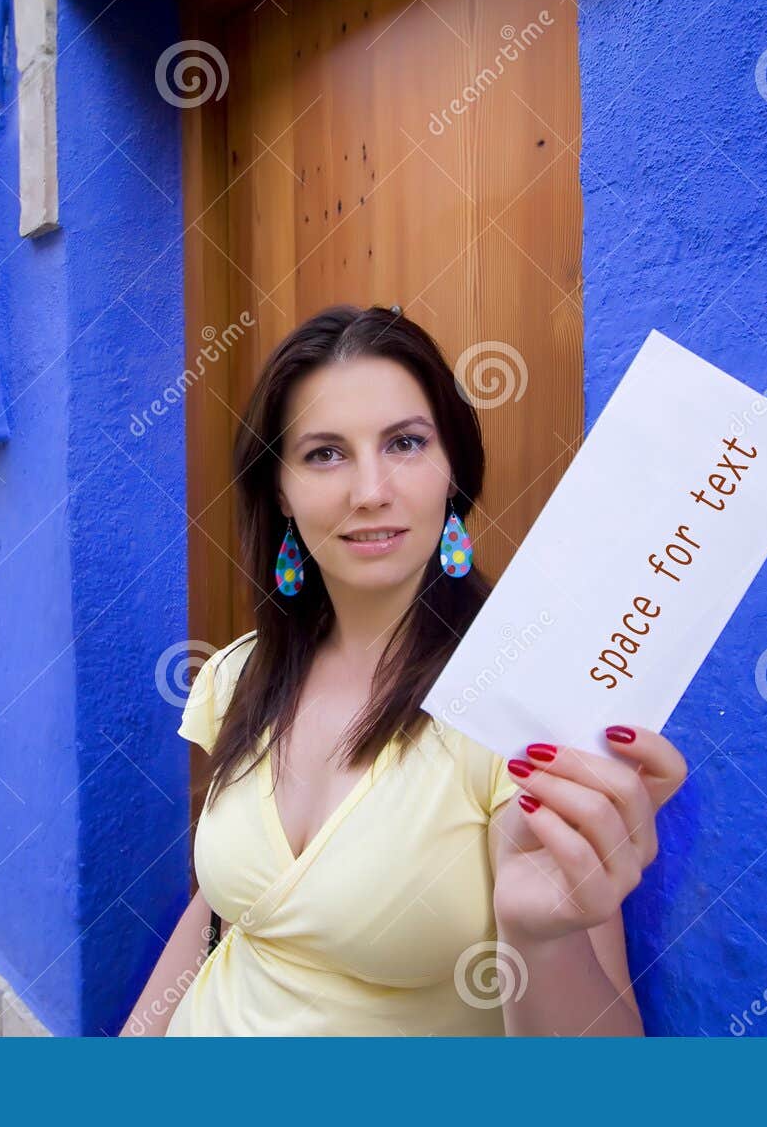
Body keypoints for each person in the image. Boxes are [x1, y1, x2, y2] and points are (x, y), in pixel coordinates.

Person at [124, 305, 687, 1036]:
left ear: (453, 471)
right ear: (281, 490)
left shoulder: (519, 711)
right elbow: (225, 916)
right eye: (325, 453)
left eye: (405, 443)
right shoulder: (236, 675)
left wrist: (540, 938)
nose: (370, 491)